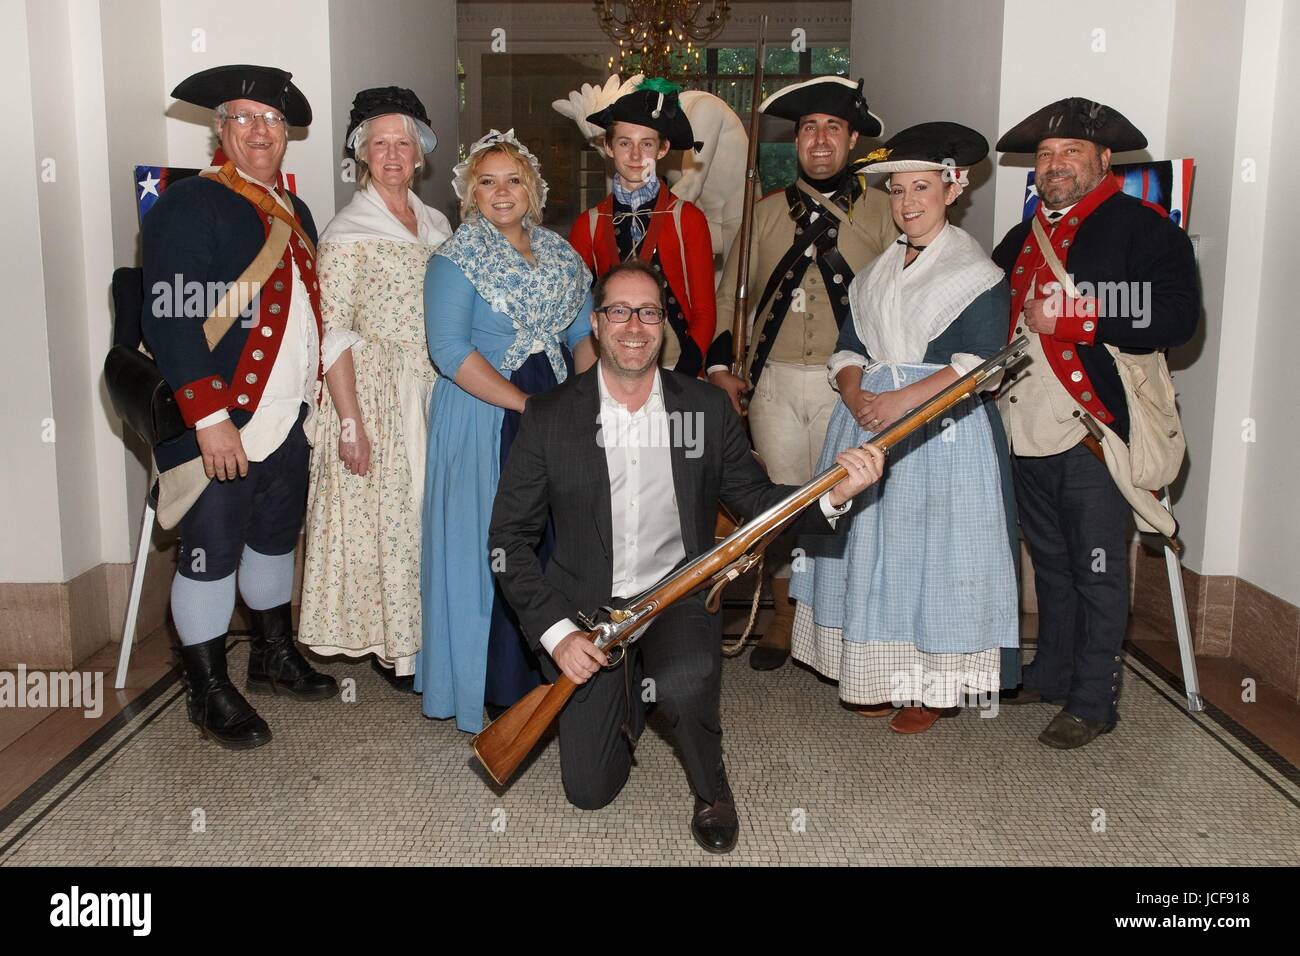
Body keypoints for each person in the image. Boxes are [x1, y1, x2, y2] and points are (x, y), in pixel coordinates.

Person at [488, 259, 884, 852]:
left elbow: (754, 502)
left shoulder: (705, 407)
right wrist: (557, 635)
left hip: (677, 594)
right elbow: (507, 541)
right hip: (587, 615)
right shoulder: (548, 416)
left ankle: (711, 786)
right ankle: (626, 690)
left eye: (648, 312)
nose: (633, 325)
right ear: (597, 324)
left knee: (683, 679)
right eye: (618, 311)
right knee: (589, 792)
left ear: (663, 325)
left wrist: (834, 493)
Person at [790, 123, 1020, 735]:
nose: (908, 202)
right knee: (873, 546)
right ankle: (873, 671)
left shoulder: (977, 273)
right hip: (866, 421)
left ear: (952, 190)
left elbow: (979, 365)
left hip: (941, 430)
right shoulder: (875, 273)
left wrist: (900, 405)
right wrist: (857, 392)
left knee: (930, 555)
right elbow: (846, 348)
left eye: (922, 188)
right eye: (897, 190)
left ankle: (932, 688)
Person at [991, 98, 1199, 748]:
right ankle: (1053, 672)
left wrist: (1078, 319)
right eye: (1046, 156)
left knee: (1099, 567)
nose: (1055, 166)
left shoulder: (1145, 229)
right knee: (1050, 560)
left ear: (1103, 160)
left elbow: (1173, 317)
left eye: (1070, 153)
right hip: (1025, 428)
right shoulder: (1024, 235)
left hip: (1093, 429)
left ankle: (1093, 701)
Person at [141, 65, 337, 750]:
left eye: (272, 121)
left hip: (285, 415)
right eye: (244, 118)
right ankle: (206, 689)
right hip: (224, 418)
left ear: (287, 135)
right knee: (211, 553)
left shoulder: (295, 210)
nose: (260, 131)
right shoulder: (190, 205)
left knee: (274, 541)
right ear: (220, 130)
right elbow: (168, 317)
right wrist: (209, 417)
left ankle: (270, 655)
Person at [705, 76, 897, 671]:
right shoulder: (762, 214)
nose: (819, 140)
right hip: (777, 384)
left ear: (853, 138)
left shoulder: (884, 212)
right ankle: (788, 613)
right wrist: (719, 363)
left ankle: (843, 617)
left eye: (832, 129)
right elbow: (729, 293)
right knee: (787, 505)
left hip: (855, 385)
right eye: (809, 129)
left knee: (852, 502)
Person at [417, 130, 598, 733]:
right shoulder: (455, 257)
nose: (501, 192)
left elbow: (580, 338)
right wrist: (526, 406)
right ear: (470, 192)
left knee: (554, 540)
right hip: (483, 413)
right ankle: (493, 684)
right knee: (490, 543)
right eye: (487, 181)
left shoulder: (562, 255)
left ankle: (555, 672)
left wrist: (585, 400)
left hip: (552, 409)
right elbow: (448, 350)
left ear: (534, 190)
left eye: (513, 179)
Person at [298, 87, 452, 687]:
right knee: (389, 519)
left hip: (433, 385)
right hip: (375, 394)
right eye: (379, 143)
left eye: (403, 143)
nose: (392, 154)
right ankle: (397, 647)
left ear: (420, 154)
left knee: (426, 516)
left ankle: (429, 637)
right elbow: (332, 332)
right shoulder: (346, 230)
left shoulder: (437, 222)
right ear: (362, 154)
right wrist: (350, 421)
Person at [568, 77, 716, 377]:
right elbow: (577, 311)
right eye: (625, 143)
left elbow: (704, 311)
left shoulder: (687, 219)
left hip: (677, 365)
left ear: (662, 150)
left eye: (646, 144)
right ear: (608, 146)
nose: (636, 156)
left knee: (685, 427)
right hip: (613, 367)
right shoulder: (588, 224)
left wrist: (685, 377)